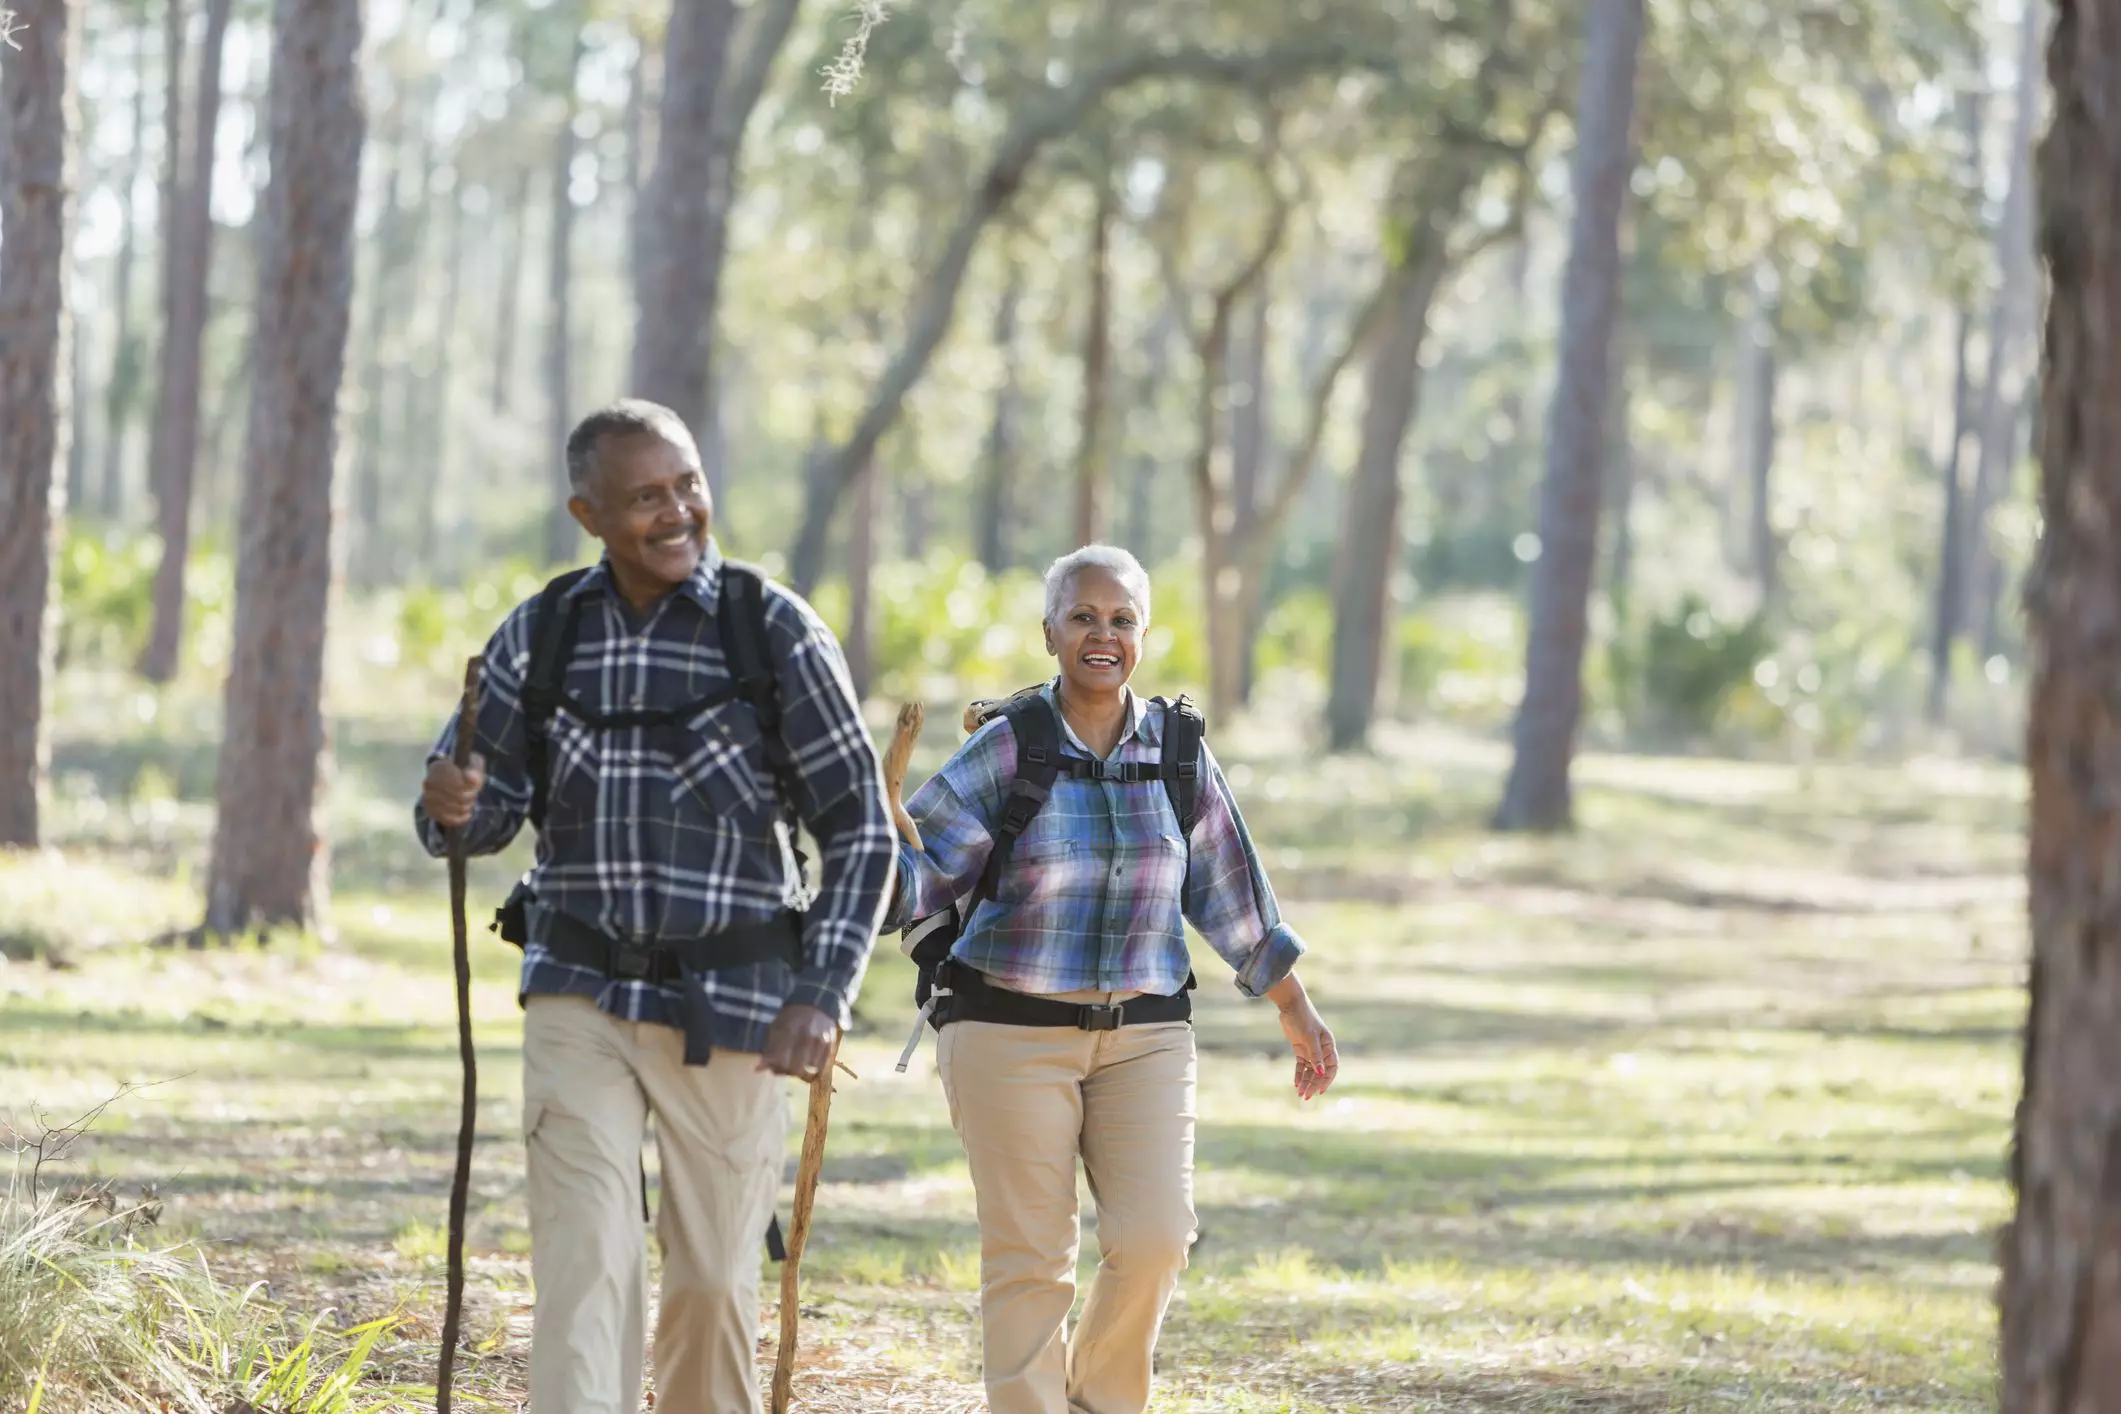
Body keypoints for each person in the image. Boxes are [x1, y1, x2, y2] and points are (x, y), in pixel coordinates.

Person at [414, 398, 894, 1414]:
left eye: (688, 485)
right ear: (588, 514)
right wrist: (450, 801)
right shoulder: (541, 631)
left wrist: (826, 988)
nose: (676, 512)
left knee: (714, 1280)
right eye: (644, 497)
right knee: (584, 1267)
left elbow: (861, 830)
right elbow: (481, 805)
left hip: (736, 1007)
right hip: (576, 990)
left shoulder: (771, 631)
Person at [886, 543, 1339, 1414]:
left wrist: (1296, 1005)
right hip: (1007, 1032)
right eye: (1084, 617)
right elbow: (920, 872)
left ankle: (1098, 1403)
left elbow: (1228, 889)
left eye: (1121, 619)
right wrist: (867, 857)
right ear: (1049, 631)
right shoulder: (1007, 746)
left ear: (1143, 634)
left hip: (1145, 1036)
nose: (1103, 634)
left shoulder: (1176, 750)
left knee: (1157, 1238)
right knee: (1030, 1258)